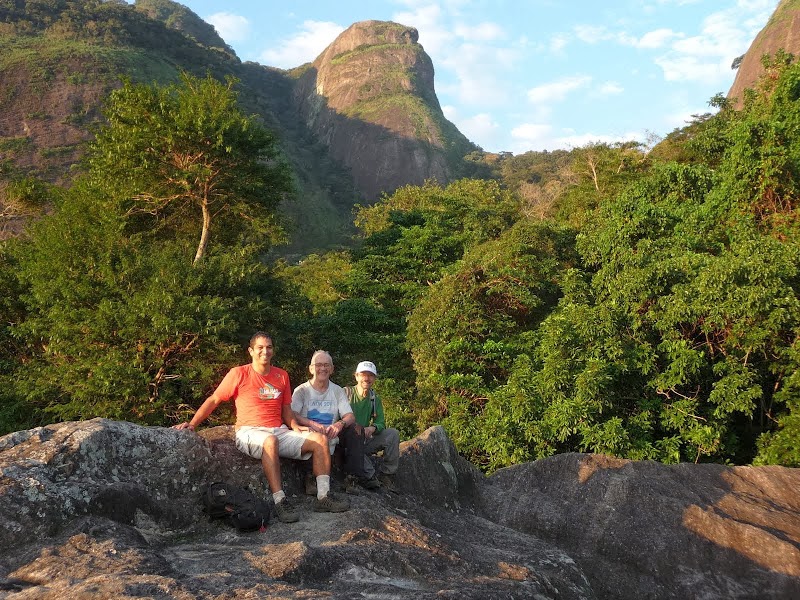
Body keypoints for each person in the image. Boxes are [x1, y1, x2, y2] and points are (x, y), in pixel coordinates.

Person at [172, 332, 350, 523]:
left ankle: (323, 497)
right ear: (251, 351)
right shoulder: (238, 373)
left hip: (279, 429)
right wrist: (192, 424)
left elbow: (286, 410)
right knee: (270, 441)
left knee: (320, 439)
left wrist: (295, 426)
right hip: (249, 431)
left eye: (269, 347)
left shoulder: (282, 376)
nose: (265, 351)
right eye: (260, 347)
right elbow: (214, 399)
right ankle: (280, 501)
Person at [291, 350, 380, 492]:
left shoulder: (337, 391)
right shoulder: (302, 391)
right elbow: (292, 414)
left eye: (327, 365)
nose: (323, 368)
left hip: (331, 432)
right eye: (319, 365)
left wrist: (340, 424)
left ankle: (352, 478)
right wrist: (310, 423)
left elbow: (349, 416)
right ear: (311, 368)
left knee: (355, 428)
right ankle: (311, 478)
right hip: (308, 432)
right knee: (313, 437)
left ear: (332, 369)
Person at [345, 361, 401, 492]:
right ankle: (368, 476)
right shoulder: (346, 394)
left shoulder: (374, 399)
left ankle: (387, 475)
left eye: (370, 375)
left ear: (374, 378)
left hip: (365, 439)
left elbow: (381, 422)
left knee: (393, 434)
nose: (367, 378)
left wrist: (373, 428)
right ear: (356, 376)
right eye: (363, 374)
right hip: (347, 442)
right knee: (366, 469)